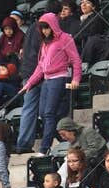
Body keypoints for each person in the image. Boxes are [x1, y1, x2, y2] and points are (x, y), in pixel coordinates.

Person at [16, 12, 82, 154]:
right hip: (46, 80)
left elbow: (76, 60)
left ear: (53, 26)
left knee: (49, 113)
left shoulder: (65, 39)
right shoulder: (45, 43)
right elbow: (40, 66)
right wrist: (29, 84)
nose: (44, 31)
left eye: (47, 28)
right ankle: (67, 140)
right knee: (43, 113)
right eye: (42, 28)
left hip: (59, 78)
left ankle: (44, 148)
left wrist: (76, 79)